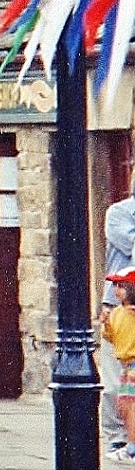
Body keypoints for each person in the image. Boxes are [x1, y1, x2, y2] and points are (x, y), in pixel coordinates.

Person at [102, 185, 135, 454]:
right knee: (116, 379)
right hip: (119, 305)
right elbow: (132, 246)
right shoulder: (119, 213)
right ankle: (118, 433)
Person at [102, 267, 135, 465]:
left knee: (130, 406)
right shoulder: (117, 313)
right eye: (114, 285)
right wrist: (106, 324)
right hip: (125, 366)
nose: (116, 290)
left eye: (121, 286)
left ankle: (132, 445)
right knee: (123, 406)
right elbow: (112, 337)